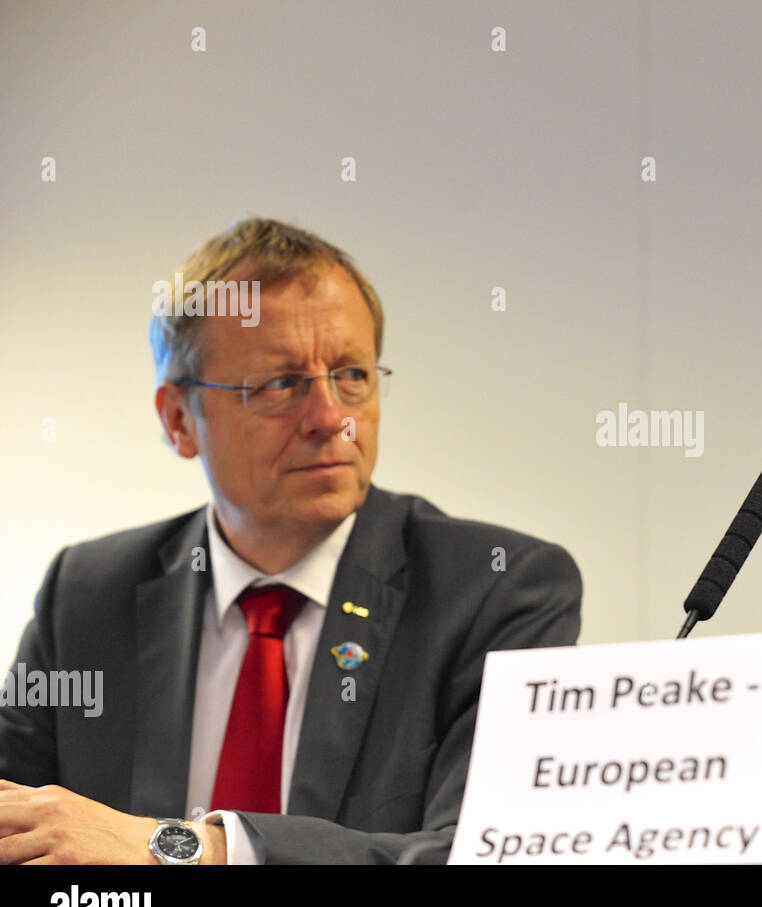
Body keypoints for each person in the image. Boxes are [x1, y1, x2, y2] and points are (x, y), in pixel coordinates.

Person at [0, 218, 582, 864]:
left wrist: (193, 852)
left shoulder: (497, 590)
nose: (333, 419)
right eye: (280, 384)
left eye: (352, 375)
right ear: (178, 420)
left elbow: (481, 854)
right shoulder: (87, 592)